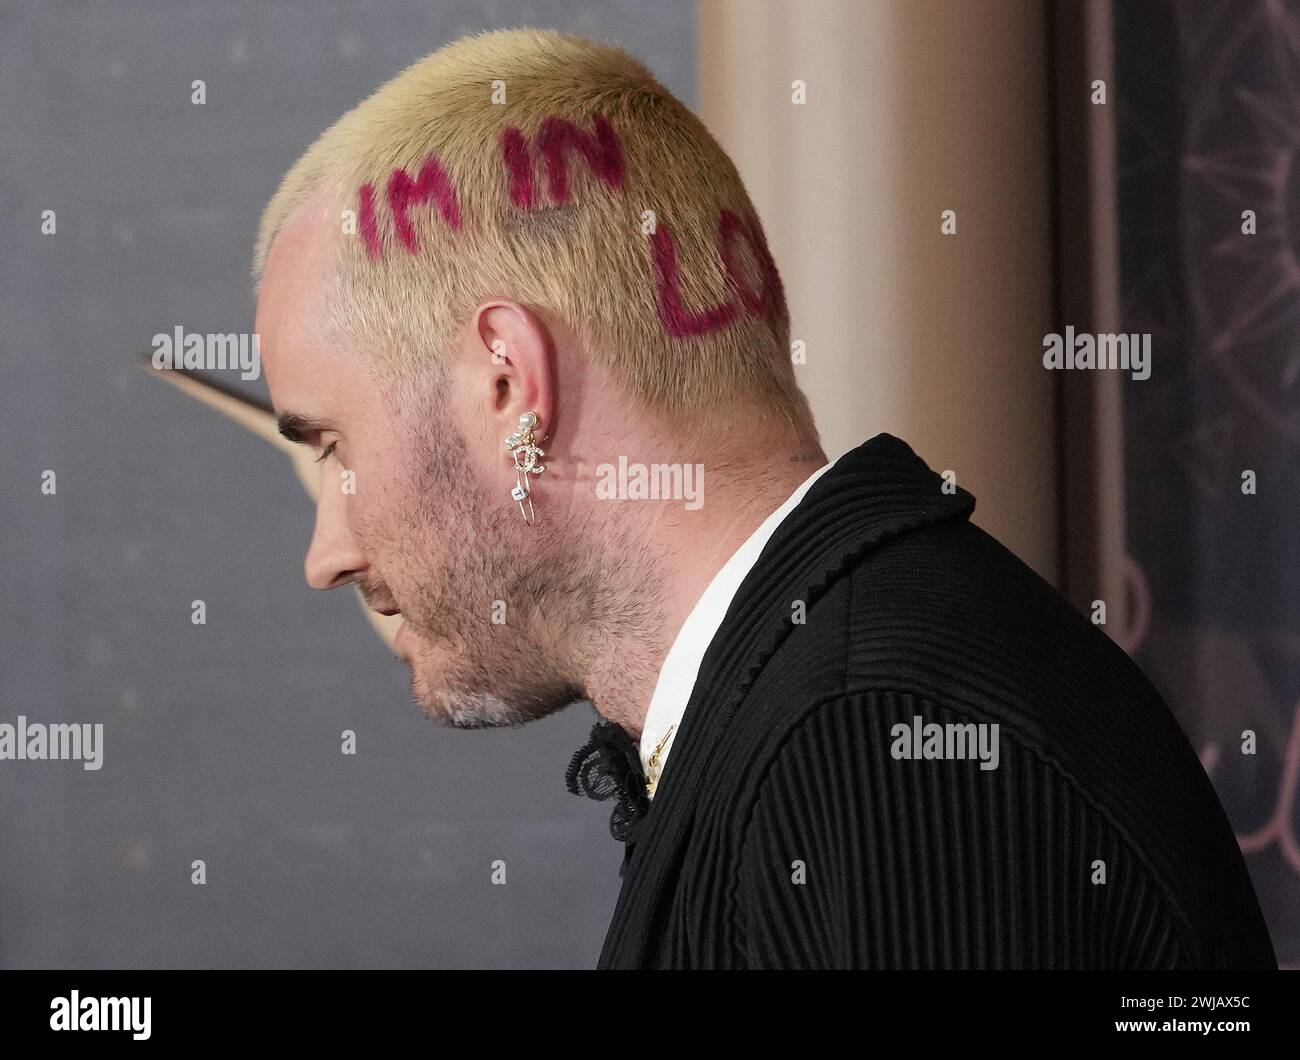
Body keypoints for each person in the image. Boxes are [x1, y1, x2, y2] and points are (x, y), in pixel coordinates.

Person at [251, 28, 1276, 969]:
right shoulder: (817, 716)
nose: (325, 551)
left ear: (508, 384)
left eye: (333, 445)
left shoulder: (877, 748)